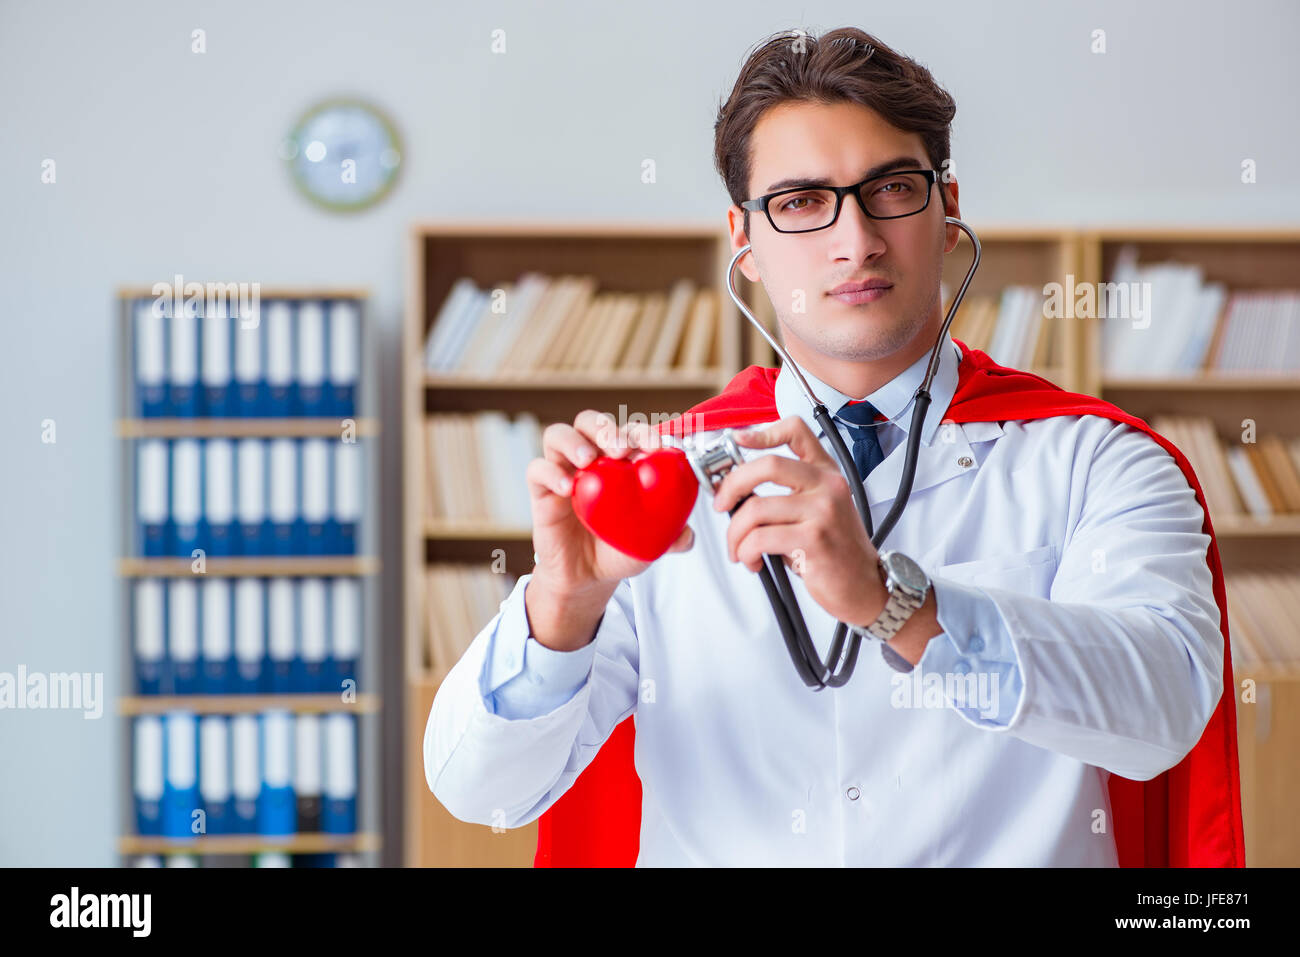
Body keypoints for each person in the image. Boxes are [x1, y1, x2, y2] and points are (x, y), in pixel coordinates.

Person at [424, 26, 1243, 866]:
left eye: (892, 188)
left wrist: (897, 603)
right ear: (744, 241)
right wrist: (562, 606)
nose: (856, 241)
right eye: (801, 202)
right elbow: (482, 791)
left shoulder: (1100, 461)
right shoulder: (659, 485)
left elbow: (1166, 709)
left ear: (948, 211)